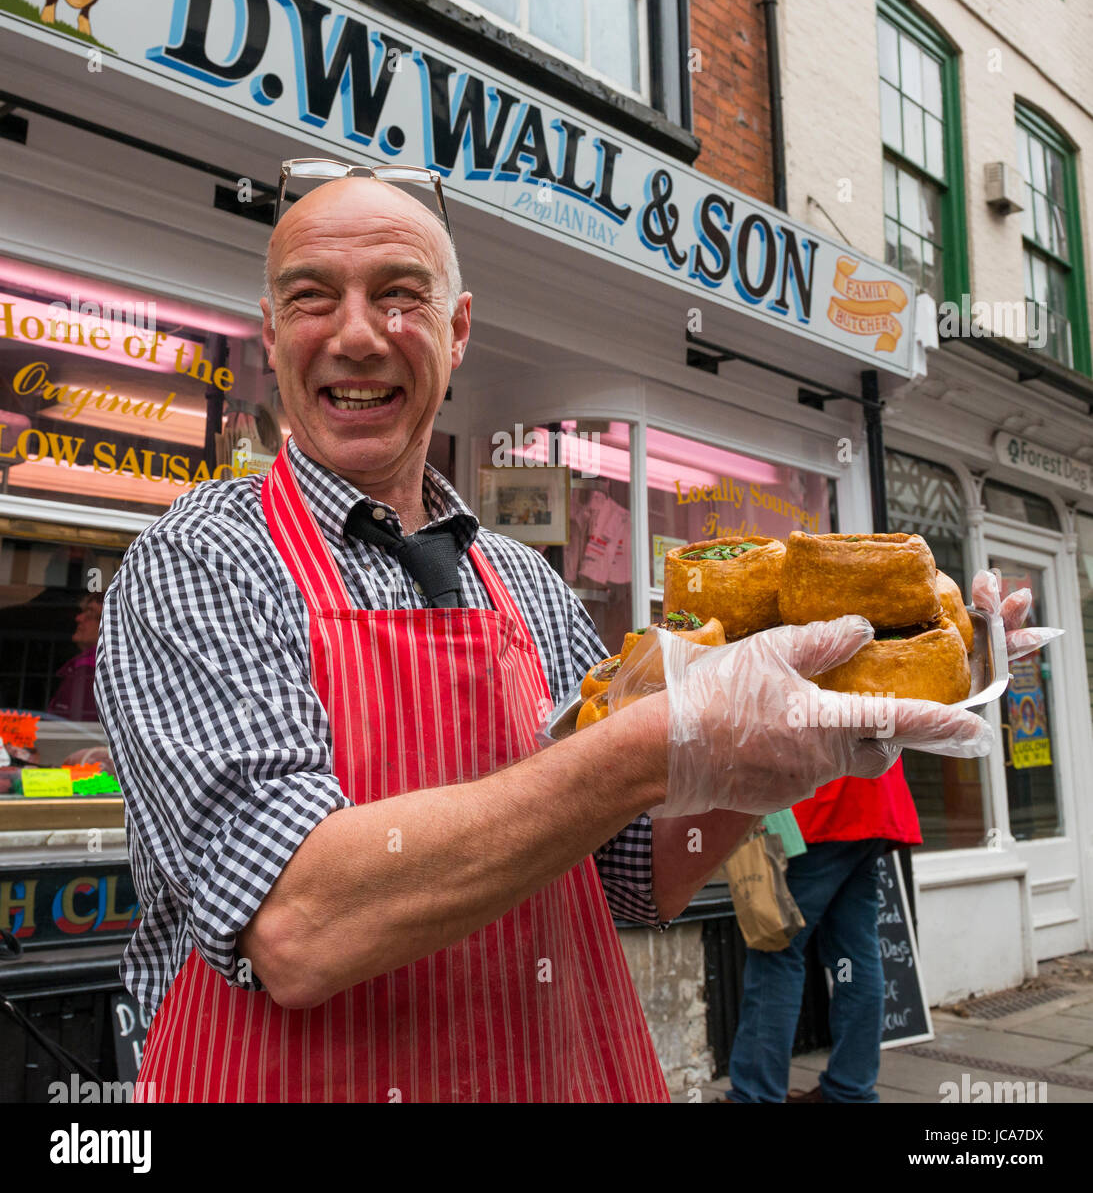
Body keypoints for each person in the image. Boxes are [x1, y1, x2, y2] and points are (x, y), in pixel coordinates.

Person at [94, 167, 984, 1103]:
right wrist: (655, 745)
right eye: (312, 299)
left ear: (458, 330)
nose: (356, 334)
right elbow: (297, 928)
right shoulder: (200, 559)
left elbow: (638, 878)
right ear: (273, 336)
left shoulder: (524, 582)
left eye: (400, 295)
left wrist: (810, 739)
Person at [723, 575, 1054, 1105]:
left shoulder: (811, 626)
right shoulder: (865, 624)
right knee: (855, 950)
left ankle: (754, 1095)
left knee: (776, 945)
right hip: (874, 806)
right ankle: (851, 1089)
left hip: (822, 812)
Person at [47, 592, 103, 721]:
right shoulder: (85, 668)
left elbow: (69, 728)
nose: (79, 618)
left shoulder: (91, 672)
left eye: (90, 613)